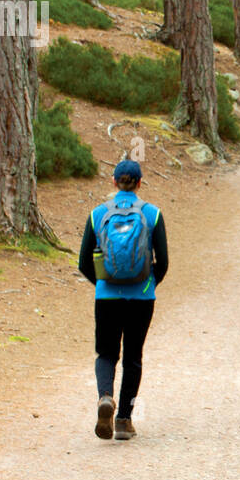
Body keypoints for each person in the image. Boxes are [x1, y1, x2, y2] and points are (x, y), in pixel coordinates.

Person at [77, 160, 168, 440]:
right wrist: (147, 285)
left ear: (114, 182)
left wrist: (103, 284)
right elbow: (162, 262)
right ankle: (124, 420)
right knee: (133, 357)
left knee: (106, 353)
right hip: (142, 297)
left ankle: (105, 396)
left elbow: (83, 263)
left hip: (107, 296)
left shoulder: (97, 214)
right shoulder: (152, 214)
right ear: (140, 183)